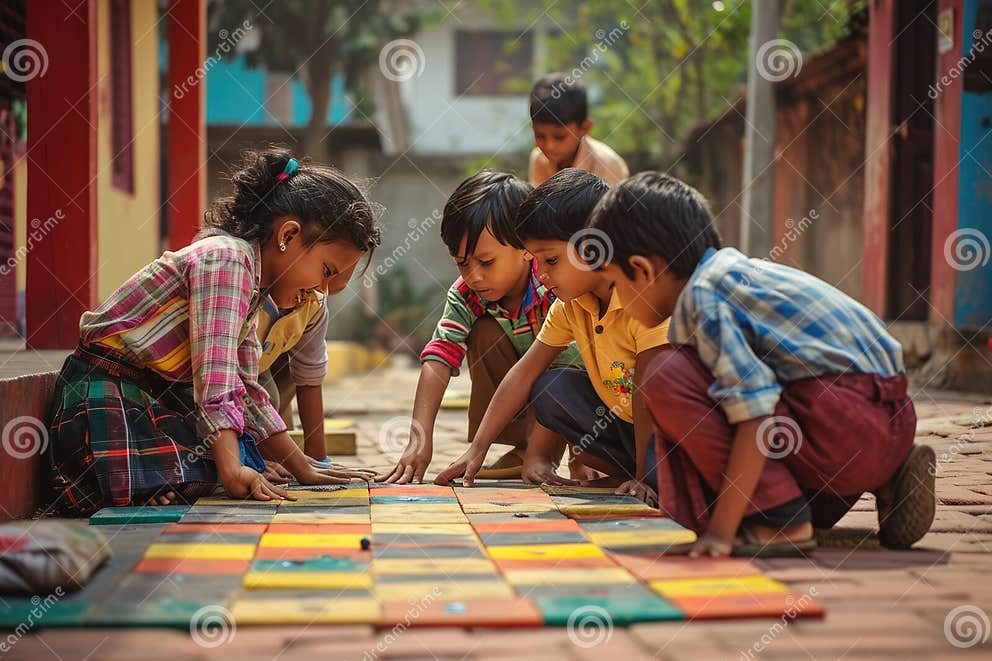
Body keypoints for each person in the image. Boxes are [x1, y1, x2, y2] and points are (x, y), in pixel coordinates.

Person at [589, 171, 935, 556]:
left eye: (615, 284)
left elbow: (754, 411)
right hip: (889, 422)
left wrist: (720, 532)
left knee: (667, 376)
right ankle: (889, 479)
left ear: (643, 269)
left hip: (845, 423)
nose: (617, 298)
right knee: (702, 377)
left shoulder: (705, 297)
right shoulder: (733, 275)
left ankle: (781, 523)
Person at [46, 148, 380, 513]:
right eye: (327, 271)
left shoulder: (253, 286)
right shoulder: (228, 261)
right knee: (225, 464)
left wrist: (303, 467)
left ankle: (161, 477)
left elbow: (247, 389)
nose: (320, 290)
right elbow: (215, 379)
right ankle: (144, 479)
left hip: (156, 396)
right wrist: (233, 472)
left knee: (242, 458)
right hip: (107, 388)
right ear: (288, 235)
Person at [435, 168, 668, 507]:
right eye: (538, 261)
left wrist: (648, 476)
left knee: (664, 473)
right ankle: (631, 473)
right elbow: (524, 374)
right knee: (552, 387)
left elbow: (651, 392)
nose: (541, 274)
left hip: (671, 434)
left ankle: (650, 475)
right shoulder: (570, 305)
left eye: (552, 260)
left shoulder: (640, 298)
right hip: (628, 431)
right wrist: (477, 449)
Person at [380, 170, 582, 484]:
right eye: (462, 262)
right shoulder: (467, 295)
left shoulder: (554, 288)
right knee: (485, 332)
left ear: (525, 248)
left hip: (573, 399)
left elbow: (571, 370)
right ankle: (522, 446)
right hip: (522, 390)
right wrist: (419, 439)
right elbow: (439, 358)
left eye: (486, 262)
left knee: (560, 372)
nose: (473, 276)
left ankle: (564, 453)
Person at [528, 74, 629, 187]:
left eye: (559, 137)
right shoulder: (539, 159)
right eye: (540, 136)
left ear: (584, 128)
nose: (549, 146)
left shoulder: (608, 164)